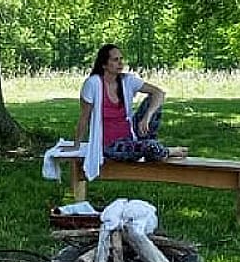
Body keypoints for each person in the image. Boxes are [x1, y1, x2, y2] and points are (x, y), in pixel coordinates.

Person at [64, 44, 187, 182]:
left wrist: (147, 117)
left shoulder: (127, 80)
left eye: (121, 59)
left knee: (152, 101)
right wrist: (76, 145)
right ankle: (167, 151)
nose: (120, 63)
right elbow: (84, 118)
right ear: (104, 64)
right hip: (112, 146)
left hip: (132, 136)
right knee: (150, 146)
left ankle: (150, 146)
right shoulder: (93, 84)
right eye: (115, 60)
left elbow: (159, 93)